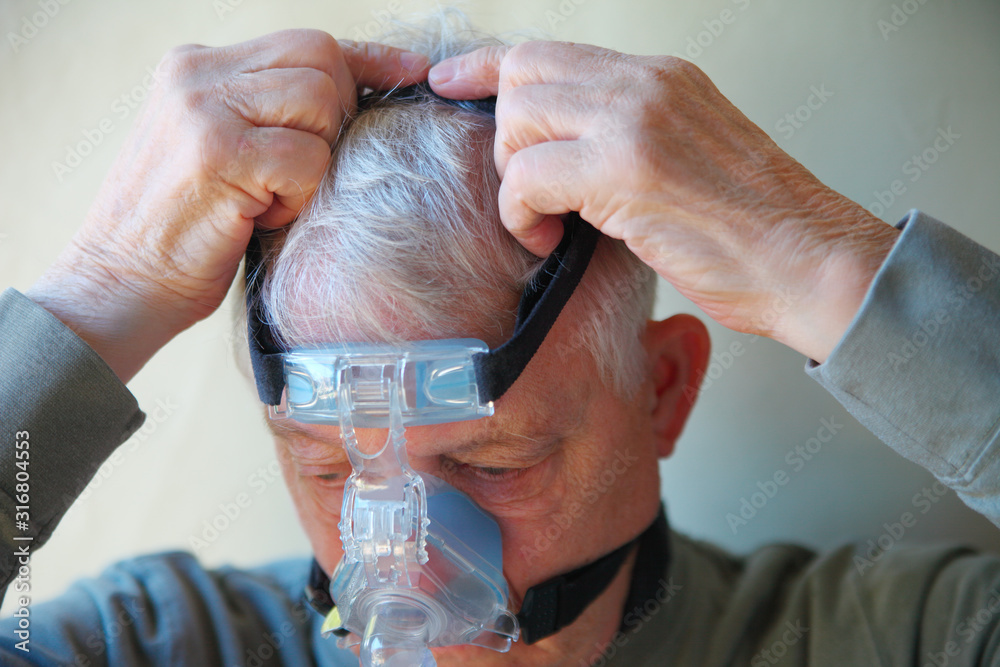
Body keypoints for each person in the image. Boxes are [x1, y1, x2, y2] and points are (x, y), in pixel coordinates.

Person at [3, 12, 1000, 667]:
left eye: (492, 464)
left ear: (662, 389)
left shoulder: (895, 640)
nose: (407, 574)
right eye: (329, 468)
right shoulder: (161, 643)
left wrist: (819, 263)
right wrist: (100, 293)